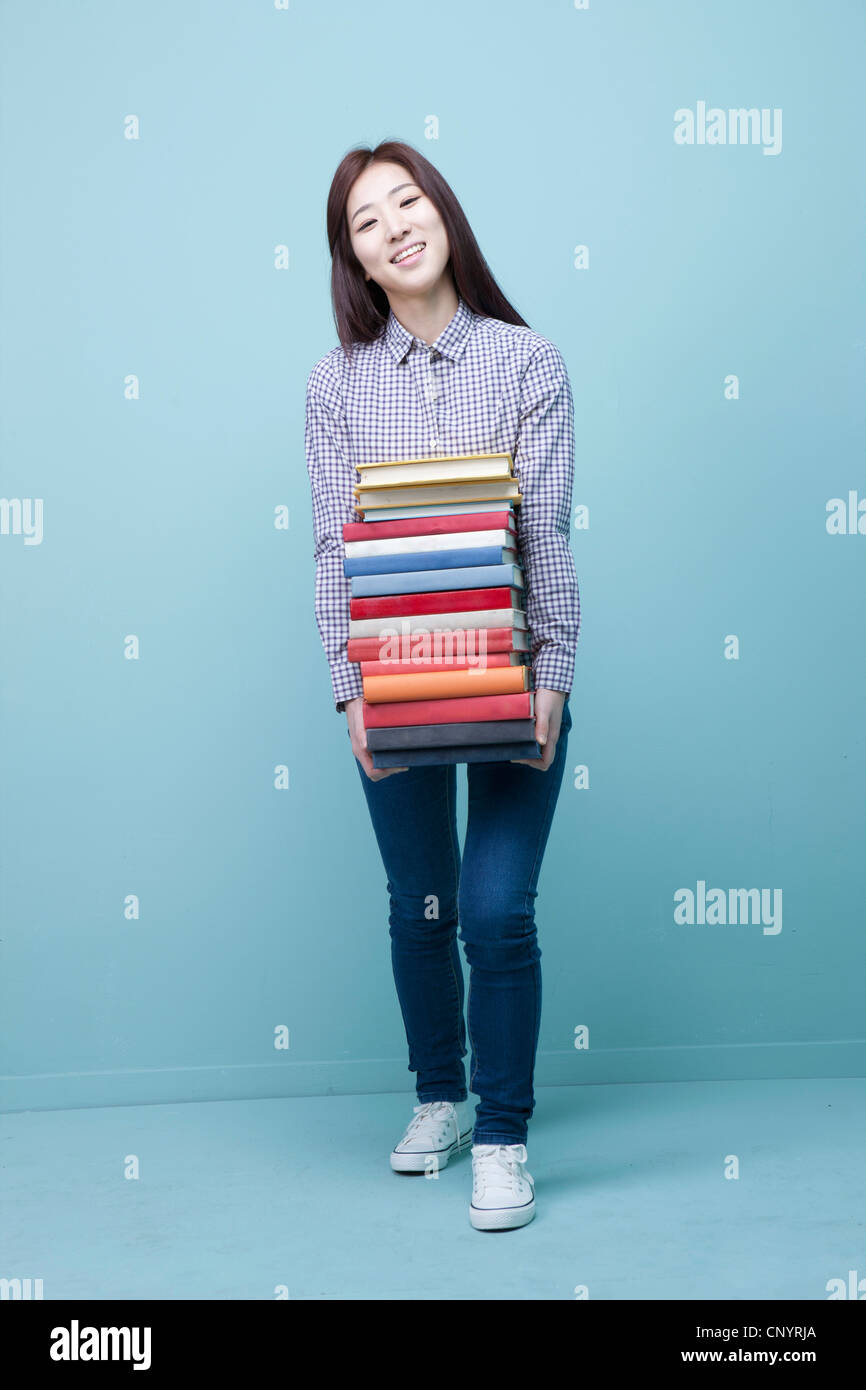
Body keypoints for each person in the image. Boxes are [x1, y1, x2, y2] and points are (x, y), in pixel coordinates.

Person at [304, 139, 580, 1231]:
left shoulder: (529, 363)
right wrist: (347, 693)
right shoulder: (334, 386)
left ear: (443, 213)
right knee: (417, 908)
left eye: (405, 203)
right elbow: (334, 548)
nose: (393, 228)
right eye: (365, 223)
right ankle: (440, 1098)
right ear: (355, 260)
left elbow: (543, 534)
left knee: (493, 911)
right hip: (393, 682)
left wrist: (551, 677)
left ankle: (502, 1137)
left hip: (512, 674)